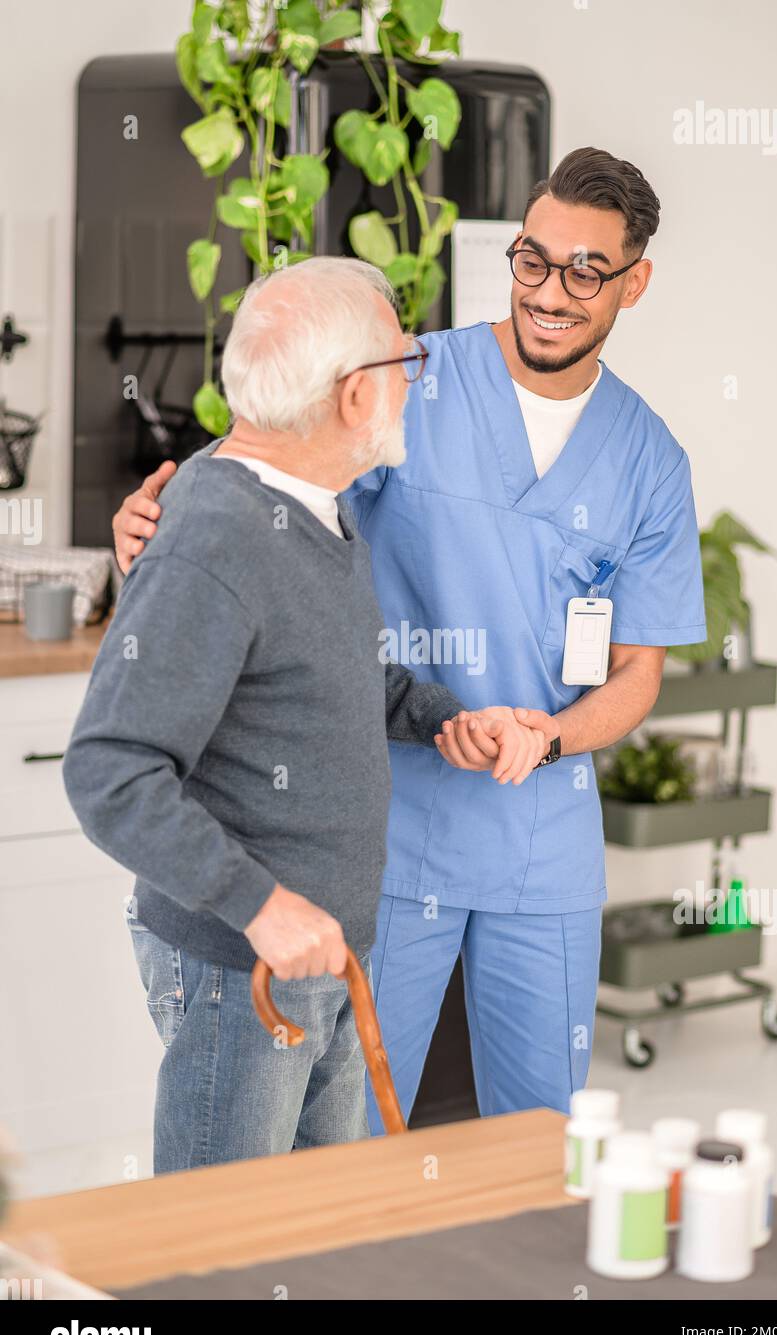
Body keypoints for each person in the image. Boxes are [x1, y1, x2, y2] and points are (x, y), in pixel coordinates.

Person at [112, 148, 707, 1133]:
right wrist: (153, 532)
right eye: (532, 260)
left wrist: (548, 735)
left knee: (538, 1135)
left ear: (633, 280)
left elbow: (637, 674)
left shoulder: (650, 459)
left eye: (584, 271)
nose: (550, 293)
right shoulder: (409, 378)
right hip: (390, 823)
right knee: (350, 1128)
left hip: (540, 832)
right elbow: (262, 480)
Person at [64, 257, 543, 1174]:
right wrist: (264, 909)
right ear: (356, 396)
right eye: (406, 367)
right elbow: (108, 774)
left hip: (316, 960)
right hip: (239, 973)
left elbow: (331, 668)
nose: (417, 386)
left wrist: (443, 716)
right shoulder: (215, 536)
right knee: (223, 1254)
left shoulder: (310, 506)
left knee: (319, 1239)